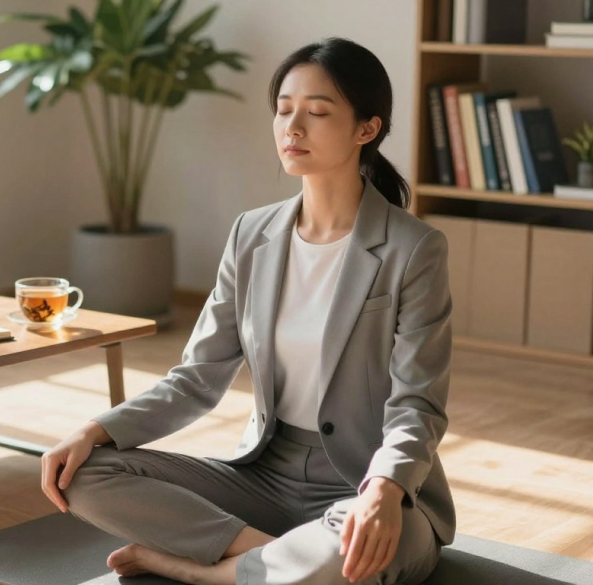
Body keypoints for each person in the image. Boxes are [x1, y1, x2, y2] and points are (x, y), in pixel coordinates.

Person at [40, 36, 455, 585]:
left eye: (317, 111)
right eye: (284, 110)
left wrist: (385, 487)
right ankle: (271, 564)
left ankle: (196, 570)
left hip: (371, 483)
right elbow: (195, 380)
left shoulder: (414, 248)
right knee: (81, 474)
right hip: (263, 478)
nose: (293, 127)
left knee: (350, 555)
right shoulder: (251, 234)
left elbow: (417, 404)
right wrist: (95, 431)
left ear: (366, 129)